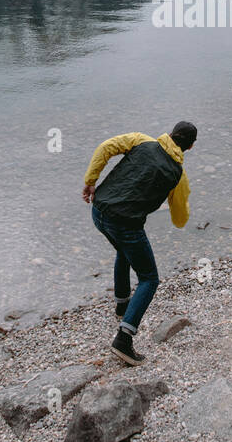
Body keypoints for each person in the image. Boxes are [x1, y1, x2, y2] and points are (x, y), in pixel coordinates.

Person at [83, 121, 197, 364]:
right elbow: (179, 219)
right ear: (190, 147)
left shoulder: (141, 140)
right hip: (125, 224)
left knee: (123, 251)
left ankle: (122, 305)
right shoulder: (178, 174)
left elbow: (105, 147)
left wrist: (91, 180)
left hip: (99, 210)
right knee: (149, 278)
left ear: (169, 133)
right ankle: (124, 339)